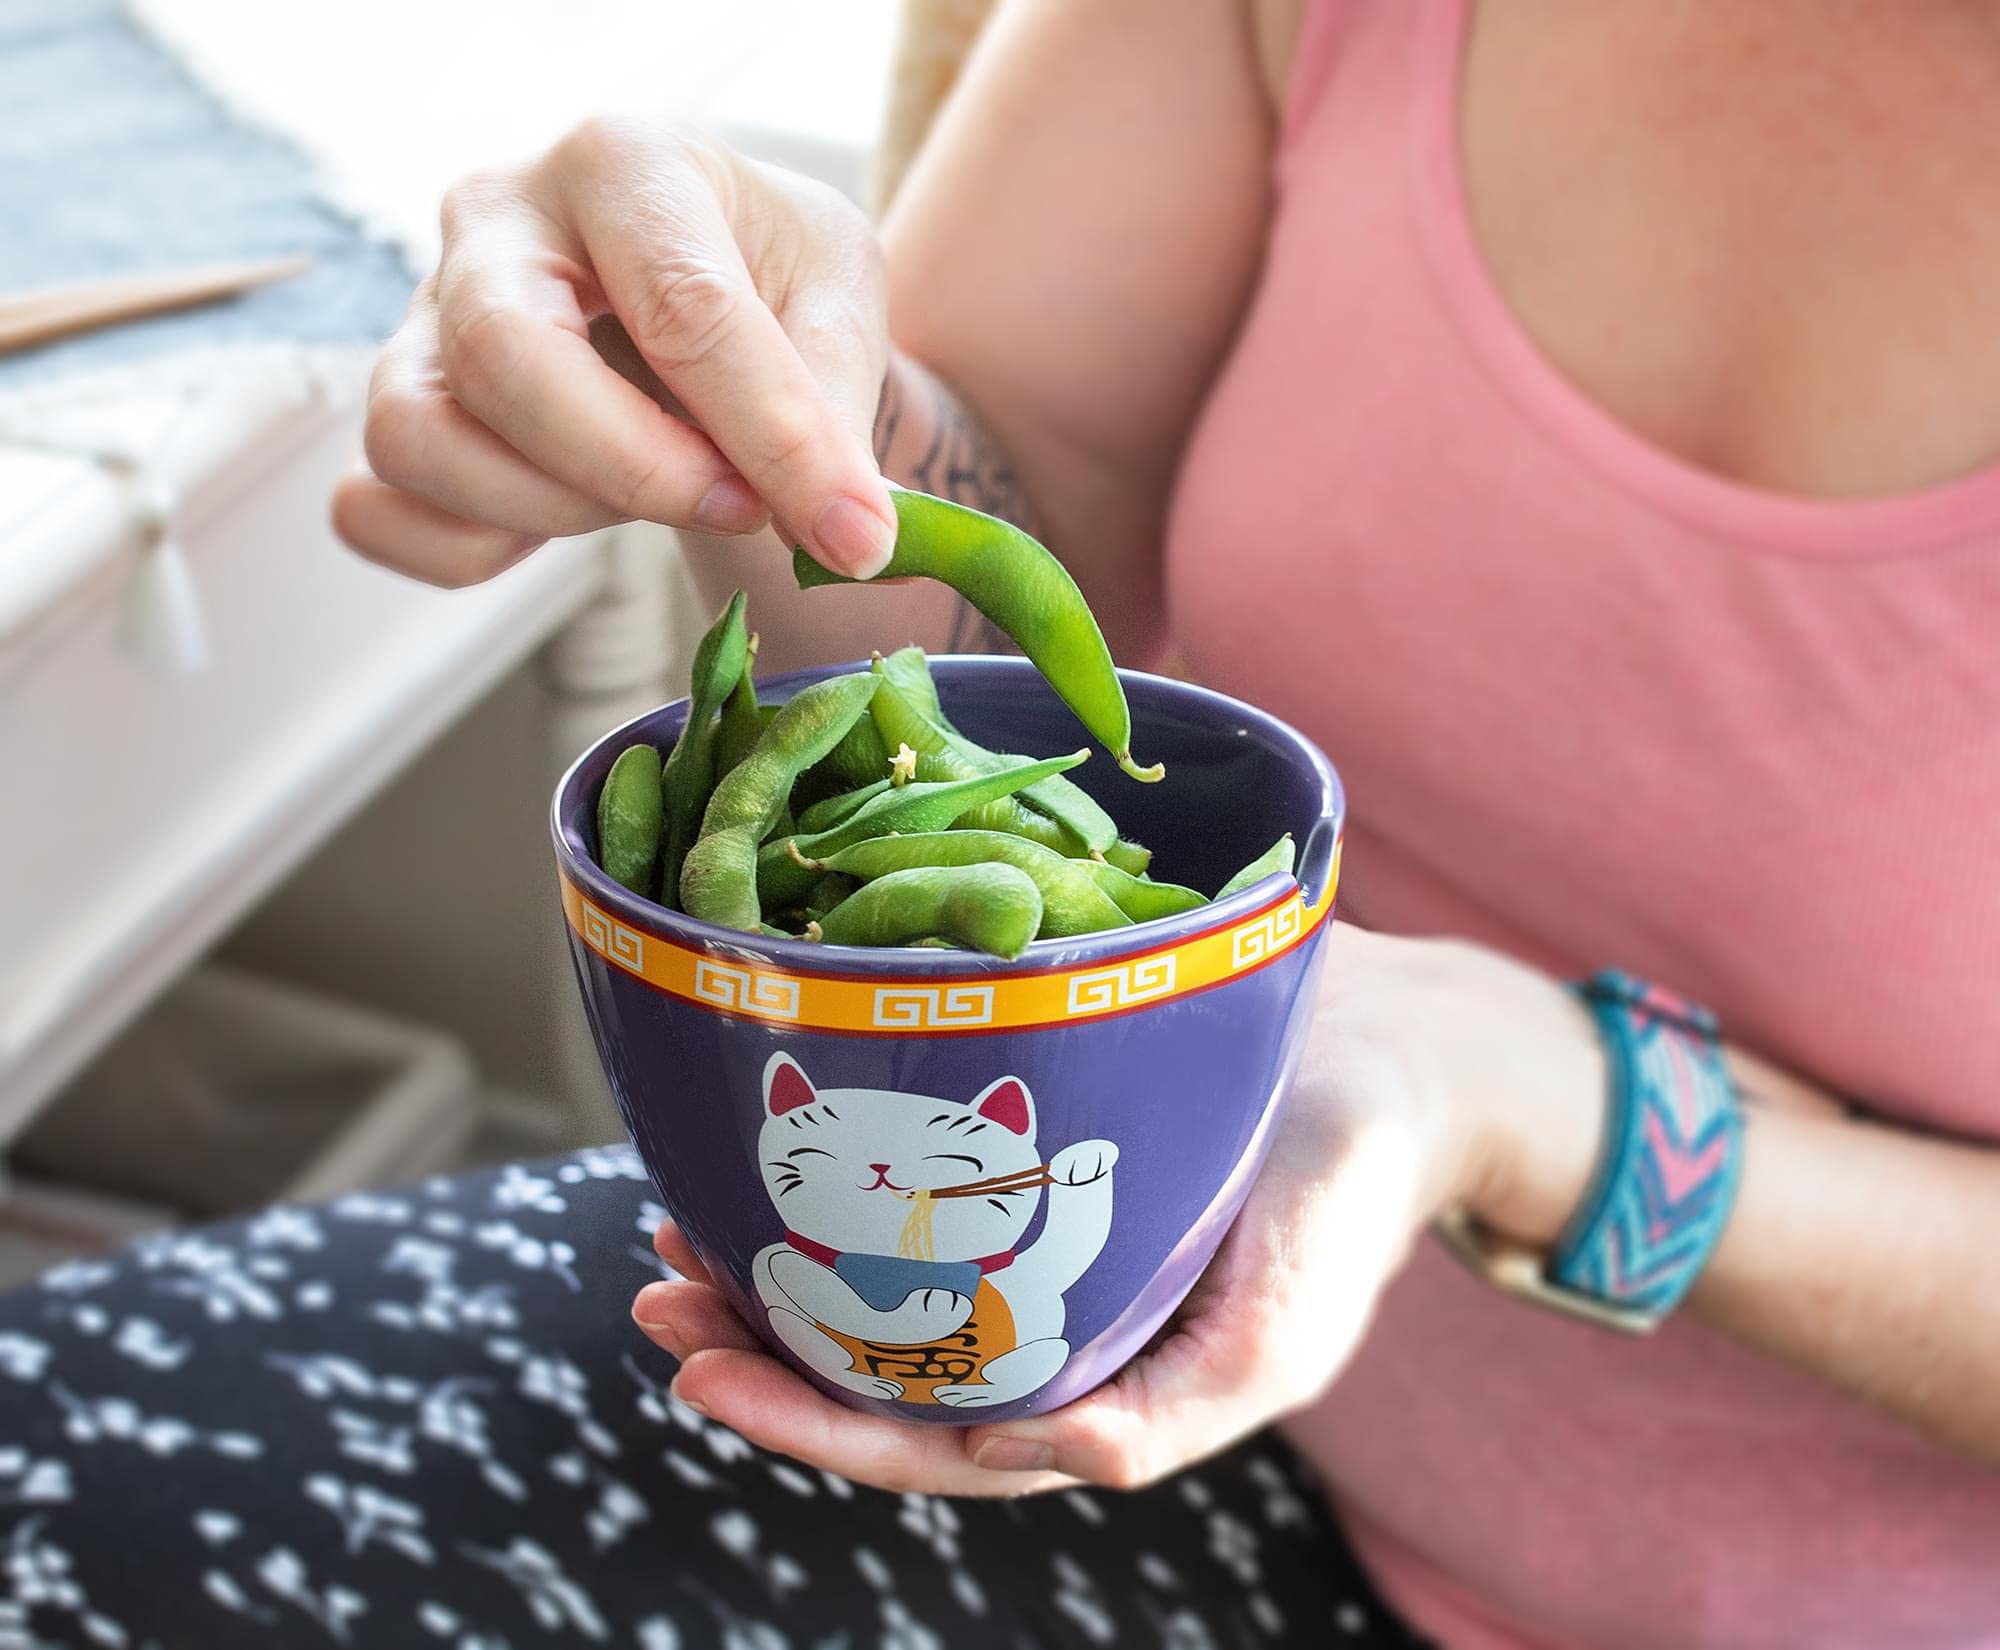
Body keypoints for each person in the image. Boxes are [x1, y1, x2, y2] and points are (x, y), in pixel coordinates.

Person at [7, 2, 1993, 1646]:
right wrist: (756, 417)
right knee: (49, 1473)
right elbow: (995, 581)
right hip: (1057, 1358)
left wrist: (1532, 1101)